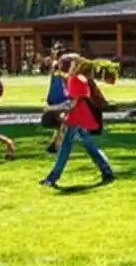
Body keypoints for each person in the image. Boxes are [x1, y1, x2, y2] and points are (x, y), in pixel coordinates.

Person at [40, 58, 115, 188]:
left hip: (77, 118)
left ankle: (52, 178)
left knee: (66, 147)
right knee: (87, 146)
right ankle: (106, 170)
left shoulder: (76, 80)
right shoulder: (77, 79)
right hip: (78, 118)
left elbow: (71, 103)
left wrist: (52, 108)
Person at [42, 53, 76, 154]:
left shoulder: (55, 72)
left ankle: (54, 144)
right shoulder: (65, 75)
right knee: (64, 122)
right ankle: (58, 144)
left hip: (52, 100)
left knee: (61, 124)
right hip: (62, 101)